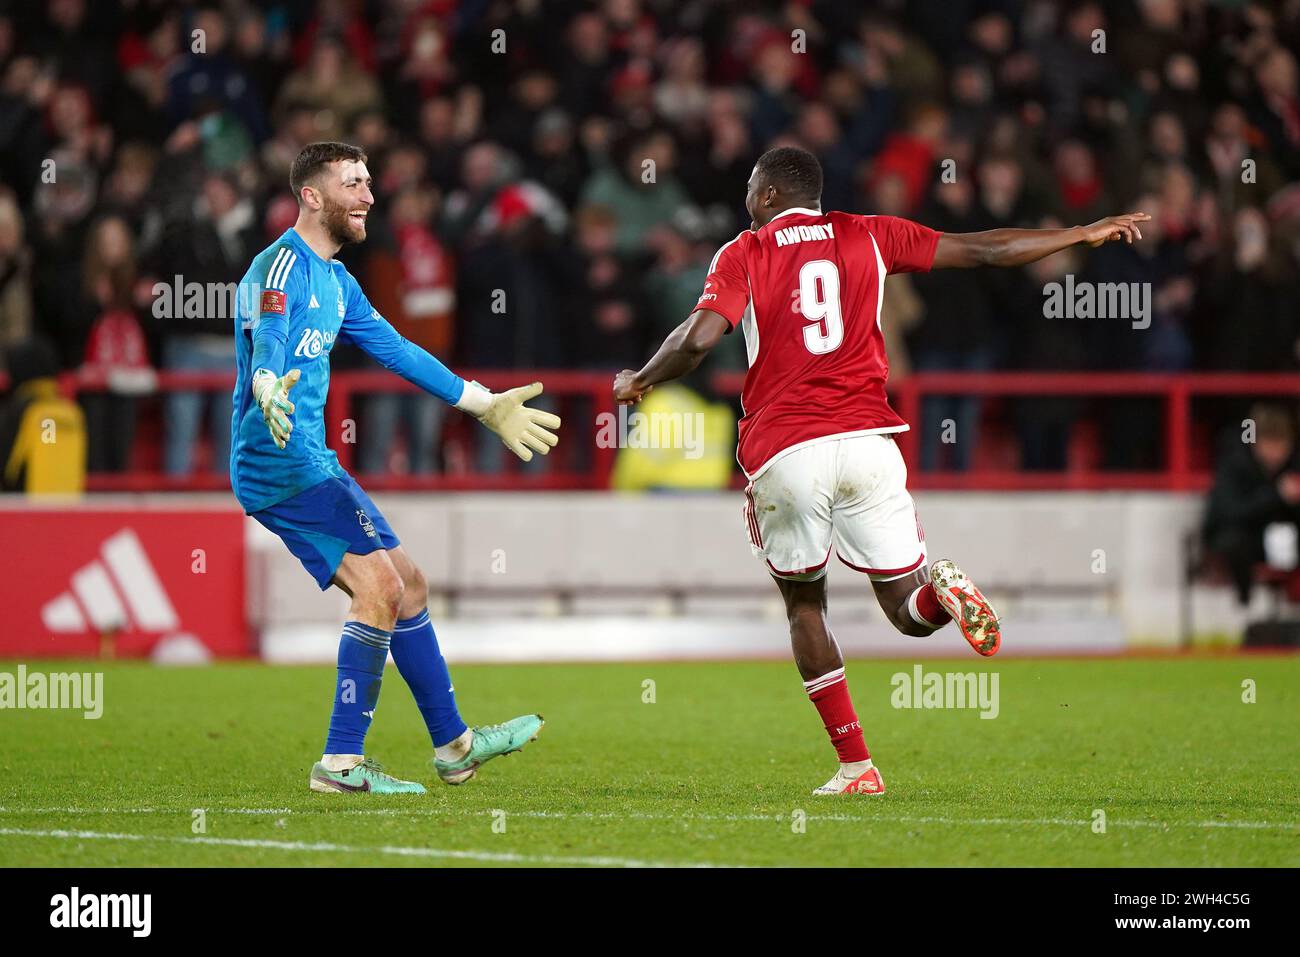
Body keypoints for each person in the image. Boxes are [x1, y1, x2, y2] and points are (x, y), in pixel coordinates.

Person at [614, 146, 1149, 795]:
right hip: (870, 440)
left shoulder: (744, 252)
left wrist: (640, 379)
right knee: (906, 610)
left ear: (768, 197)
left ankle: (857, 765)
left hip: (788, 447)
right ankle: (940, 591)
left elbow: (698, 340)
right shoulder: (867, 233)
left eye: (753, 189)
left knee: (805, 602)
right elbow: (983, 249)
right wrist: (1079, 232)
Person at [233, 142, 561, 794]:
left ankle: (456, 746)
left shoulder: (338, 281)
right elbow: (267, 334)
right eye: (354, 184)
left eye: (369, 182)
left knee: (407, 583)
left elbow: (400, 351)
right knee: (379, 589)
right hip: (279, 462)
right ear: (313, 196)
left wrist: (482, 403)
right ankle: (341, 762)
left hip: (311, 458)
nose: (369, 196)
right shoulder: (277, 269)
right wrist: (267, 381)